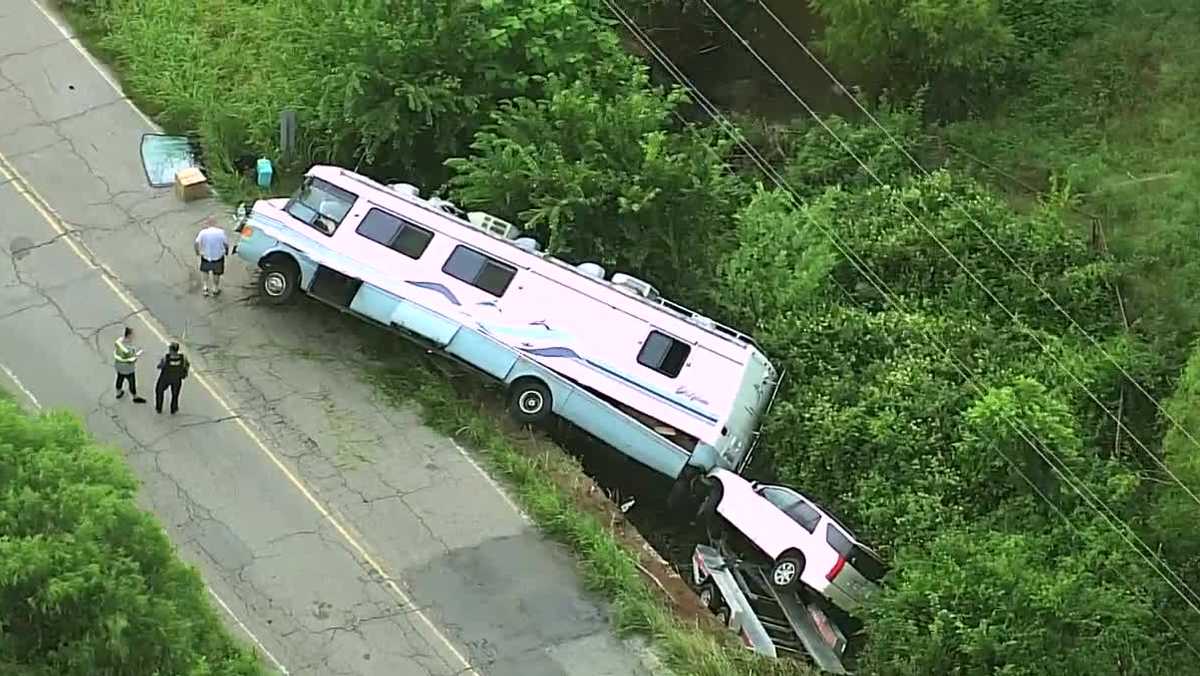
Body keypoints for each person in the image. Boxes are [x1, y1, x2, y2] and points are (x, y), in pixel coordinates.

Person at [194, 217, 230, 297]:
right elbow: (226, 244)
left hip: (206, 256)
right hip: (218, 257)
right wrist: (226, 252)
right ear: (215, 223)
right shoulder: (221, 232)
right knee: (216, 274)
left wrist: (198, 252)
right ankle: (215, 289)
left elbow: (196, 243)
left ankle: (205, 287)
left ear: (207, 223)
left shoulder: (203, 232)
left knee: (205, 271)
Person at [154, 341, 190, 415]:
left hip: (166, 378)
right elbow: (187, 365)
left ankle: (159, 408)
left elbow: (160, 366)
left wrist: (159, 365)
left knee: (159, 390)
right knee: (175, 394)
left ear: (171, 349)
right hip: (177, 379)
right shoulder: (183, 357)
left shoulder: (166, 357)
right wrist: (185, 373)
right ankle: (174, 409)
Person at [113, 326, 146, 403]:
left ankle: (119, 392)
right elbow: (132, 359)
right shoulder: (128, 349)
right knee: (132, 382)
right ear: (129, 335)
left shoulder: (119, 342)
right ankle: (135, 397)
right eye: (133, 334)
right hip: (128, 369)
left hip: (119, 366)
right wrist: (139, 353)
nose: (134, 336)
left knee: (119, 379)